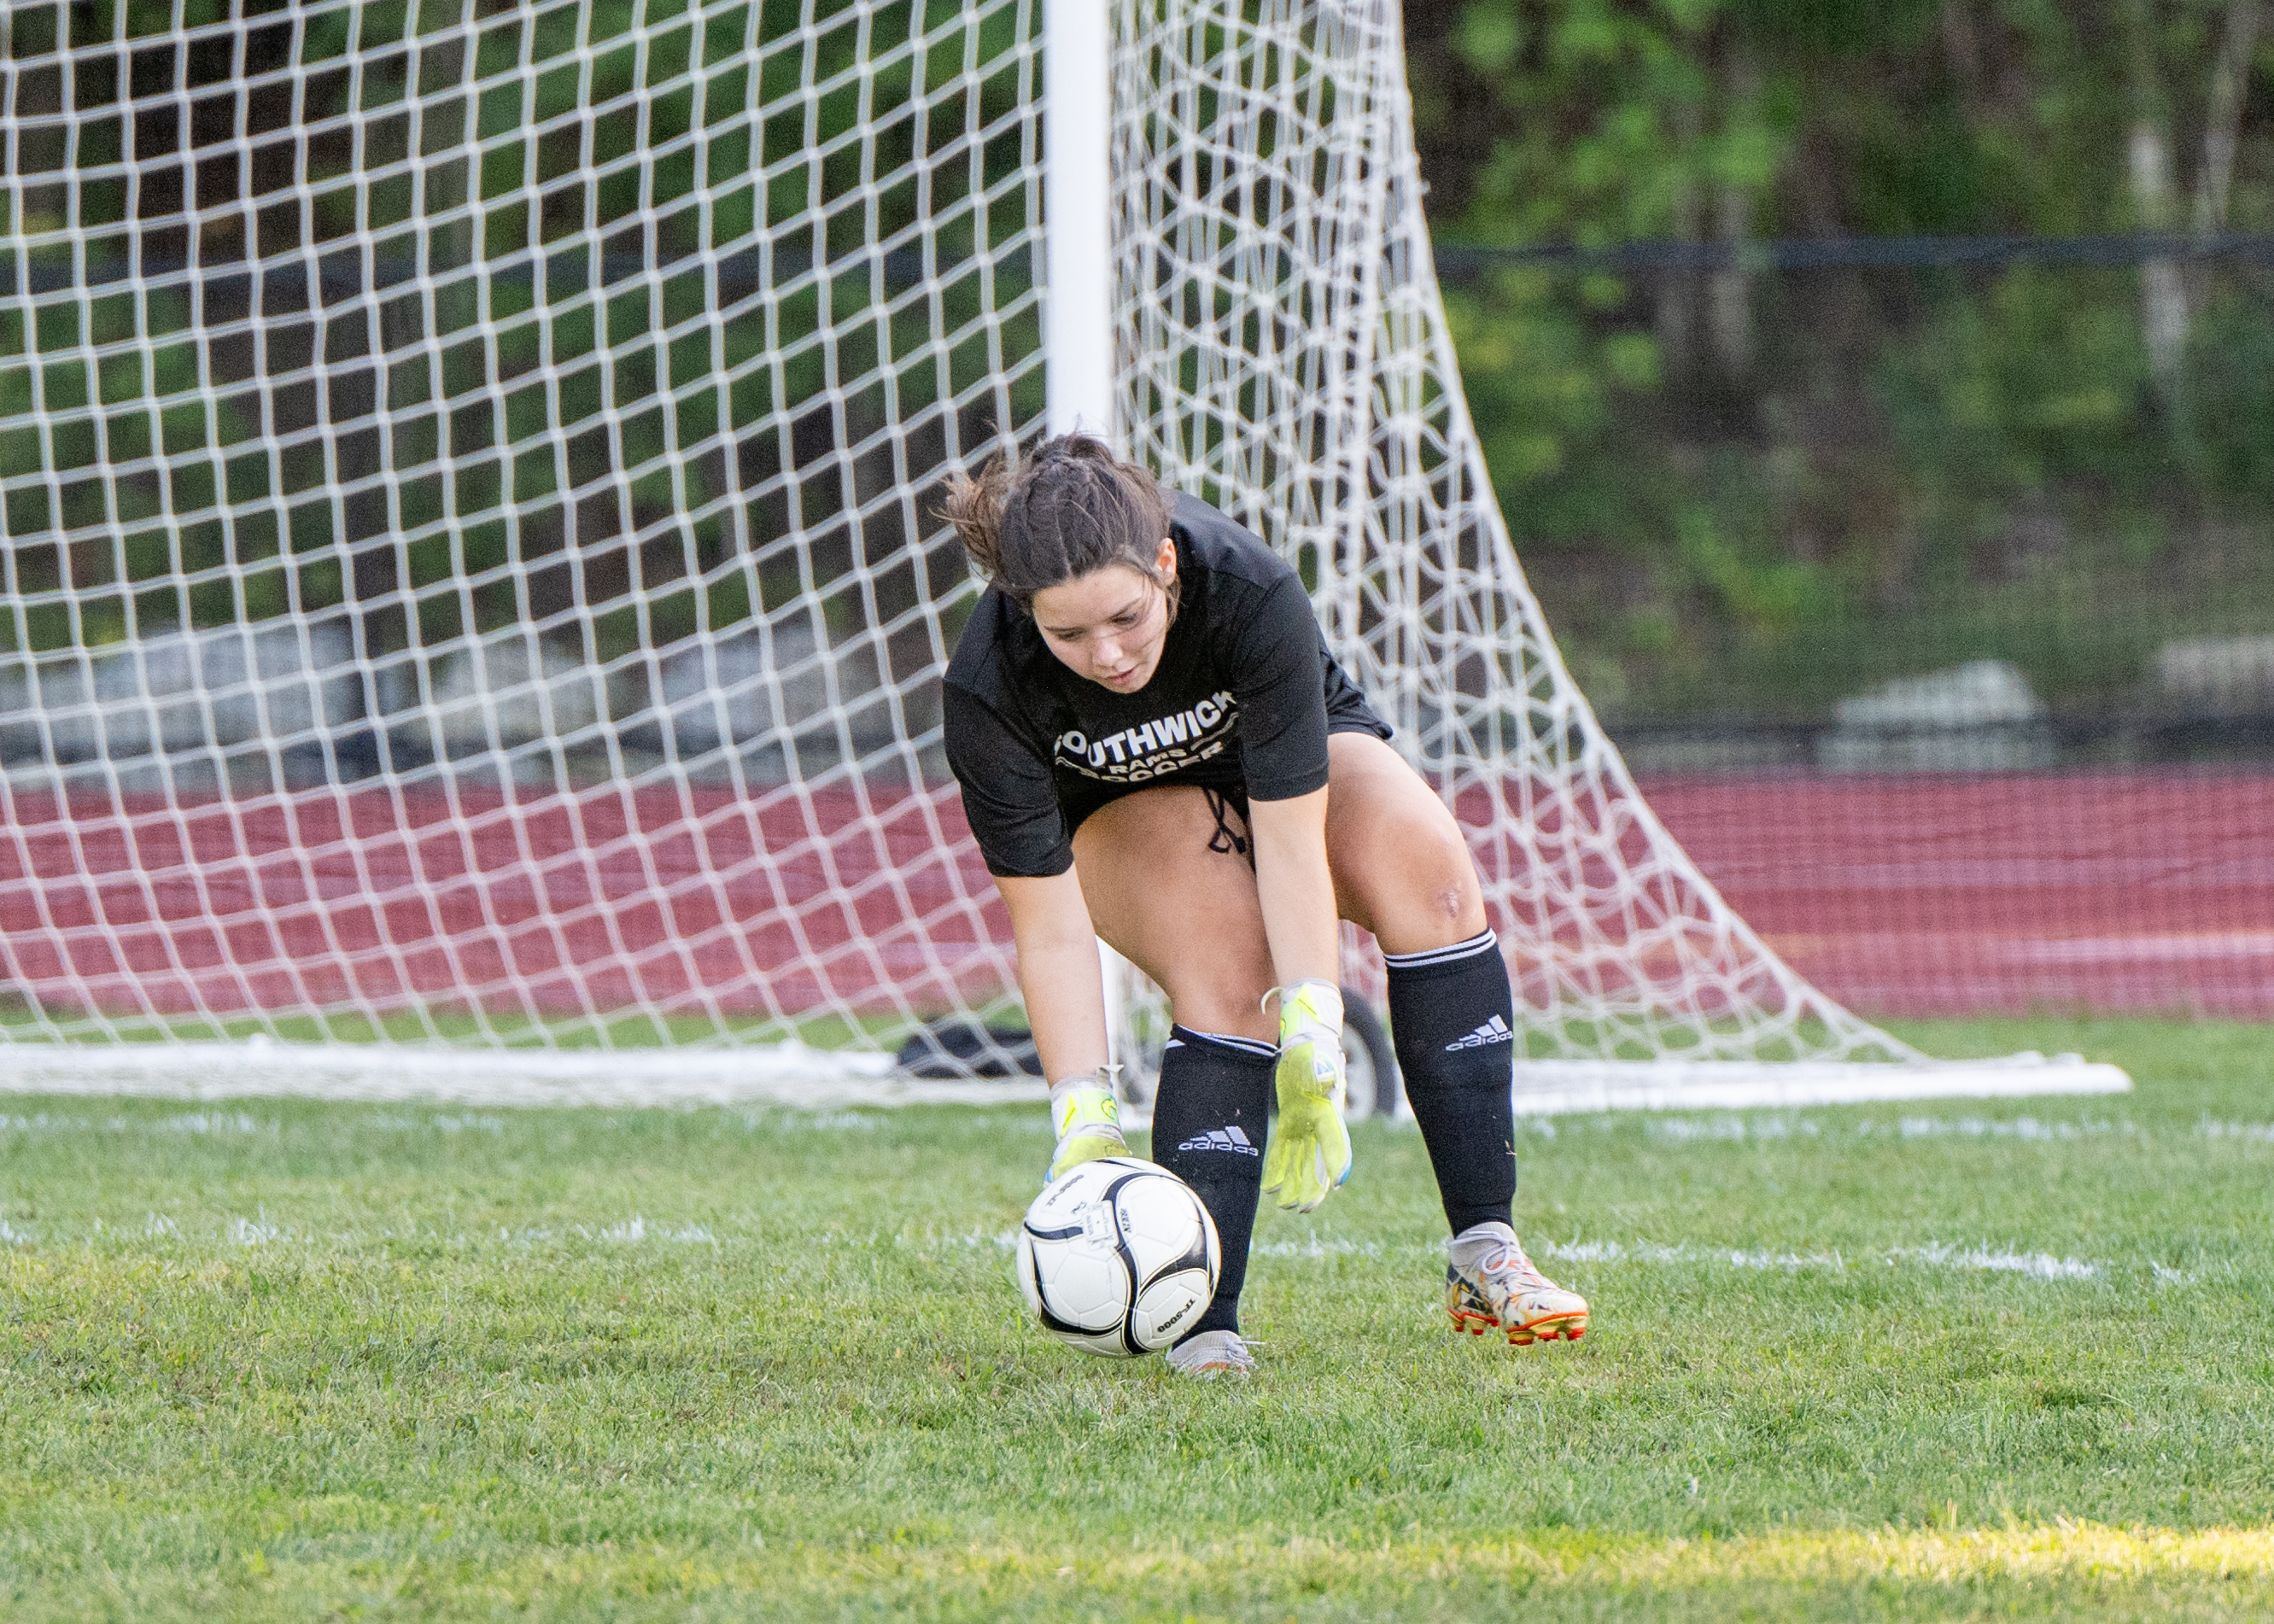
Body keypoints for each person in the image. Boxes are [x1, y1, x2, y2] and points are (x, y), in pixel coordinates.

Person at [942, 434, 1588, 1377]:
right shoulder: (987, 686)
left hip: (1271, 764)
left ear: (1164, 564)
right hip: (1116, 803)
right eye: (1068, 635)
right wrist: (1081, 1113)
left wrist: (1316, 1028)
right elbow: (1046, 928)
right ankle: (1204, 1321)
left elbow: (1289, 846)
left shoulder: (1247, 590)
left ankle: (1486, 1253)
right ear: (1020, 608)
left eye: (1125, 617)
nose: (1108, 654)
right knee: (1229, 963)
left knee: (1431, 877)